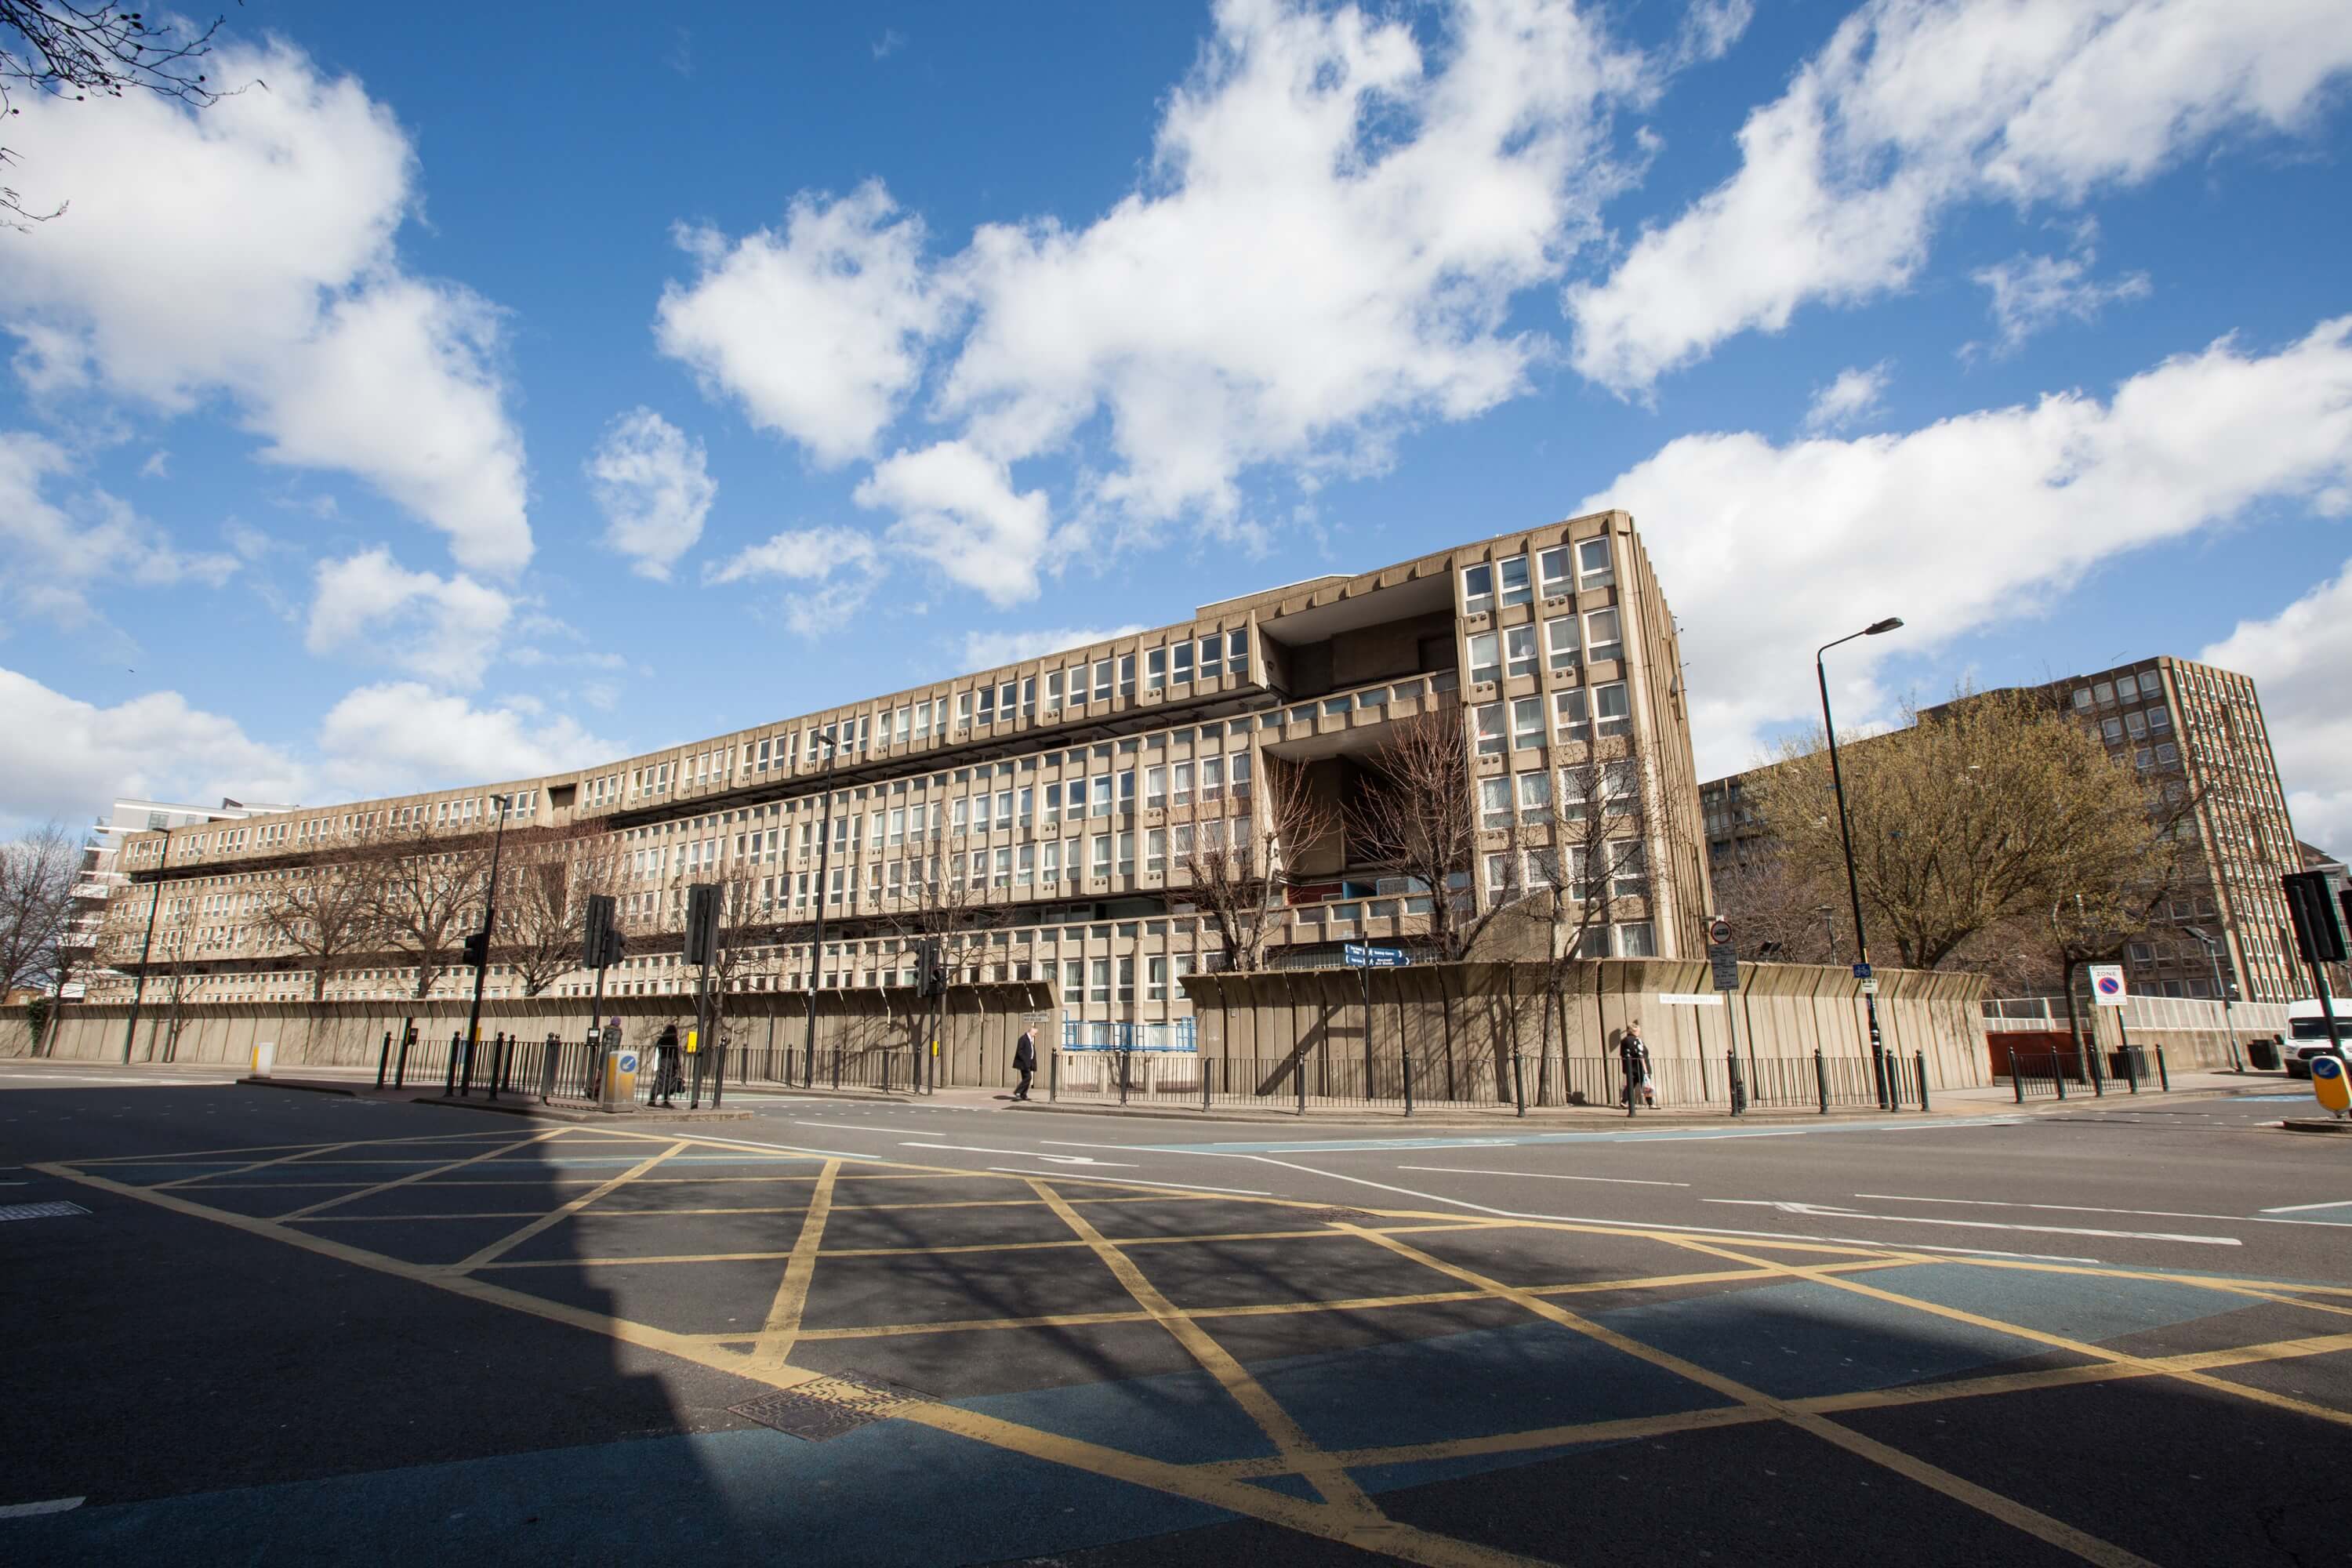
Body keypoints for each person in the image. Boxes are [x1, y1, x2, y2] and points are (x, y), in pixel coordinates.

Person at [1619, 1019, 1651, 1115]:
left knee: (1630, 1085)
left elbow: (1622, 1054)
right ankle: (1651, 1103)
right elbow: (1640, 1055)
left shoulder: (1624, 1040)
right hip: (1639, 1066)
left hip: (1630, 1066)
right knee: (1646, 1084)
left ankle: (1624, 1101)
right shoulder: (1637, 1040)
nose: (1639, 1032)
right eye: (1638, 1031)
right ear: (1635, 1031)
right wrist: (1645, 1069)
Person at [653, 1022, 681, 1107]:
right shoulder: (673, 1038)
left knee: (660, 1081)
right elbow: (675, 1052)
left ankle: (653, 1099)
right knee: (668, 1082)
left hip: (662, 1061)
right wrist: (677, 1065)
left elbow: (658, 1046)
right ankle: (665, 1100)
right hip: (670, 1062)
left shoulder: (663, 1038)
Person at [1011, 1025, 1037, 1102]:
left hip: (1028, 1062)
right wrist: (1026, 1060)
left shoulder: (1030, 1040)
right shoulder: (1023, 1039)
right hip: (1024, 1063)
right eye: (1035, 1034)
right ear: (1031, 1032)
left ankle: (1023, 1094)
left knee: (1026, 1078)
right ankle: (1018, 1092)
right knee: (1028, 1077)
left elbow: (1031, 1051)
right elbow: (1020, 1051)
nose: (1035, 1035)